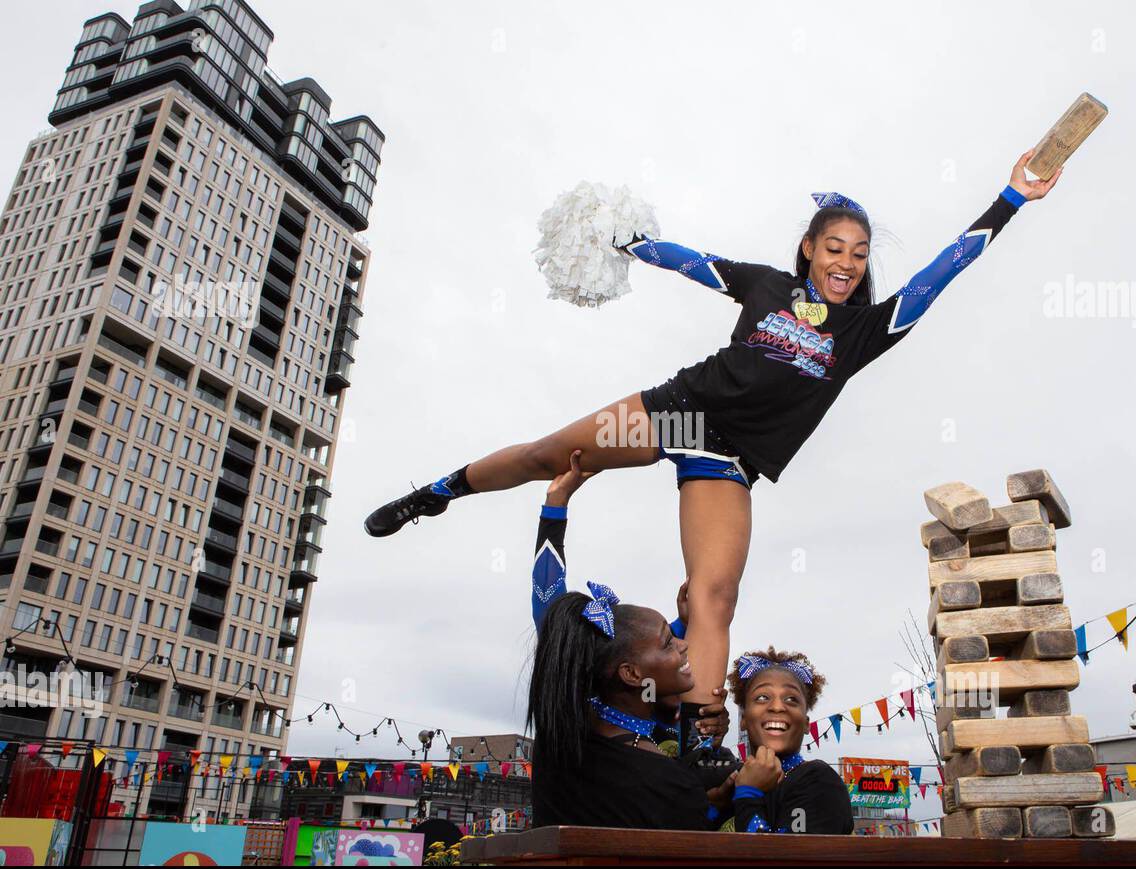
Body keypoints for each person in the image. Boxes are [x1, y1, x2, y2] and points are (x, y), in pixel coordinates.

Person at [366, 152, 1063, 737]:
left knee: (716, 595)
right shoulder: (768, 285)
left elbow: (947, 267)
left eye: (859, 253)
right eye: (833, 248)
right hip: (678, 414)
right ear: (809, 251)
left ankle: (698, 735)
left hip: (727, 460)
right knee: (546, 456)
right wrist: (632, 244)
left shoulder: (868, 331)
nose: (846, 262)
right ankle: (436, 493)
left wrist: (1012, 197)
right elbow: (695, 263)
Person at [532, 451, 737, 773]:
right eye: (670, 642)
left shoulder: (648, 728)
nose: (684, 648)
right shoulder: (590, 728)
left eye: (674, 640)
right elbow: (549, 601)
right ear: (630, 675)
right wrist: (555, 503)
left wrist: (710, 738)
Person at [725, 647, 853, 834]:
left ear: (806, 723)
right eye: (762, 697)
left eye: (791, 699)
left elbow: (784, 859)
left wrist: (748, 794)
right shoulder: (729, 780)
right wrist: (715, 805)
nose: (777, 707)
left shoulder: (819, 782)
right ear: (743, 719)